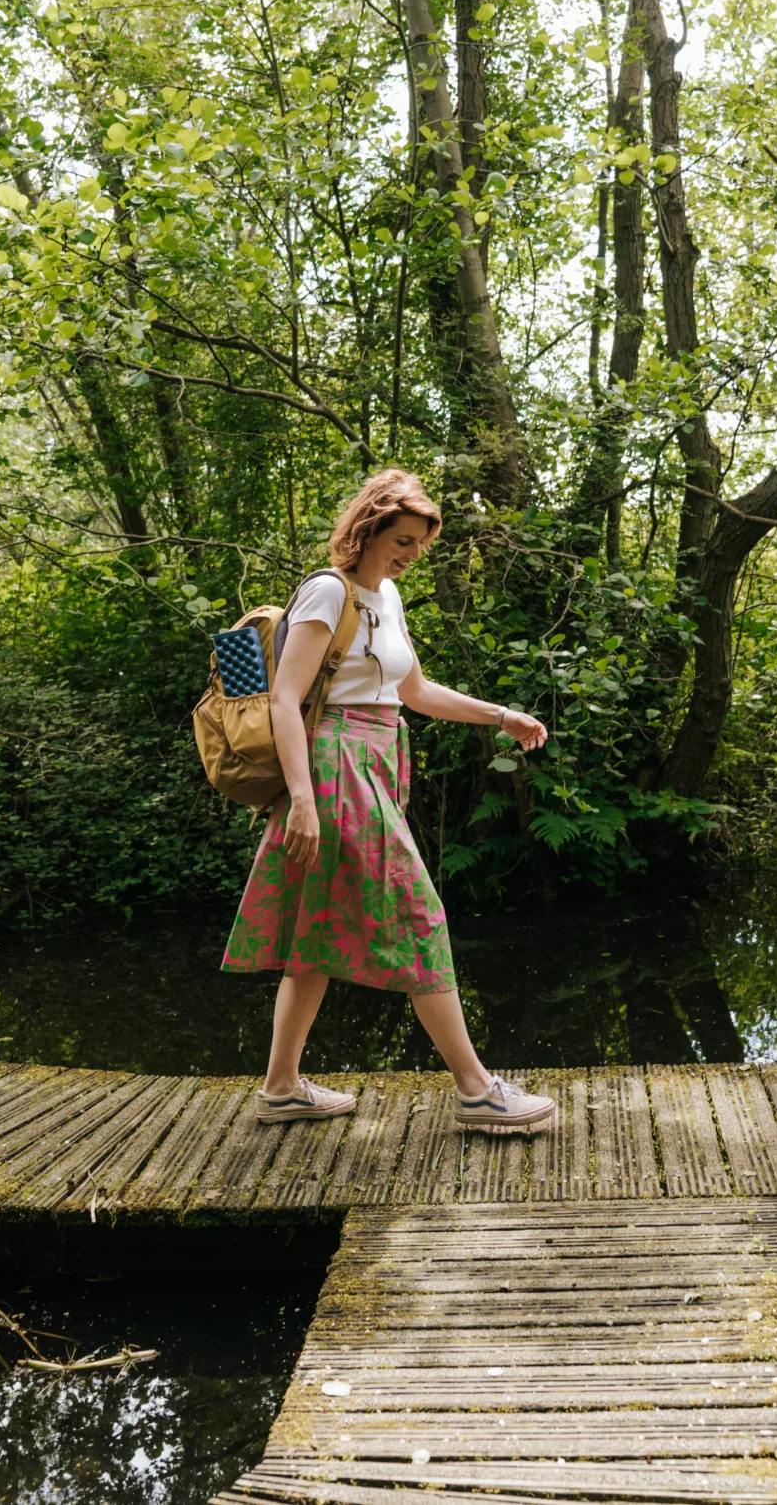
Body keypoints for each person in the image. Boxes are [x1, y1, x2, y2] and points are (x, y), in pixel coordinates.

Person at [222, 470, 556, 1133]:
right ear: (369, 526)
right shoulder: (327, 592)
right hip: (333, 766)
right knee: (421, 913)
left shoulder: (389, 597)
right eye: (401, 539)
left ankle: (282, 1086)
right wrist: (303, 798)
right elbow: (286, 700)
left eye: (419, 545)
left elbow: (415, 693)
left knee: (314, 931)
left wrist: (501, 715)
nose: (409, 553)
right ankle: (478, 1090)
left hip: (375, 762)